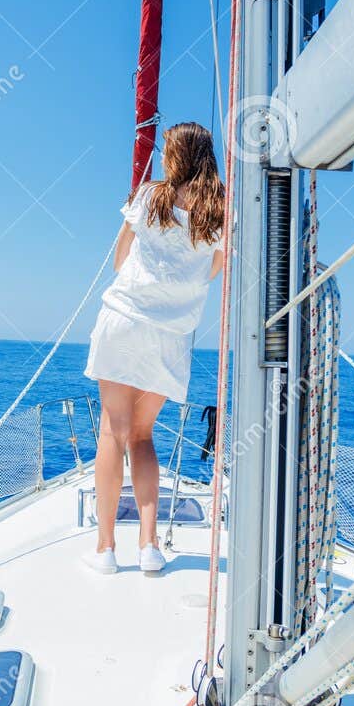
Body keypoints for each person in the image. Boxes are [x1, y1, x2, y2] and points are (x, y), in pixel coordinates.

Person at [82, 122, 226, 574]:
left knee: (112, 432)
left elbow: (119, 259)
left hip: (123, 320)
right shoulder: (222, 213)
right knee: (142, 437)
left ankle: (106, 549)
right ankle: (149, 546)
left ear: (176, 156)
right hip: (169, 337)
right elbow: (213, 271)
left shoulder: (149, 196)